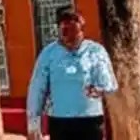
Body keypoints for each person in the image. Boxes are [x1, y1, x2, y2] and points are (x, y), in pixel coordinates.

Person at [27, 7, 118, 140]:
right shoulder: (49, 54)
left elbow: (109, 83)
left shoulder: (96, 51)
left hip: (90, 119)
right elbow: (37, 89)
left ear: (81, 31)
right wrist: (34, 123)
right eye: (64, 31)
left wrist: (99, 89)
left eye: (73, 32)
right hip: (60, 121)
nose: (68, 37)